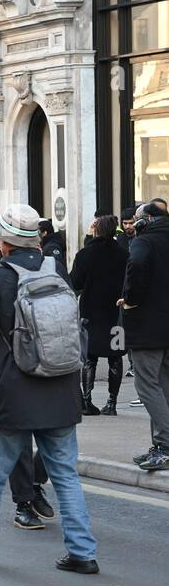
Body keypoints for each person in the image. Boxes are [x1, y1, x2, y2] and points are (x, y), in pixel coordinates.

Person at [0, 205, 98, 574]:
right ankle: (82, 552)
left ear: (3, 243)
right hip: (61, 385)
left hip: (16, 389)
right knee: (65, 473)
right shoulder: (56, 268)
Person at [119, 201, 169, 470]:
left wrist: (130, 299)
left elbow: (136, 266)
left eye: (136, 218)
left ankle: (164, 446)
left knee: (147, 385)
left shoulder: (143, 241)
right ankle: (160, 443)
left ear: (146, 219)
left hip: (148, 325)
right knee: (164, 385)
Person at [70, 214, 128, 416]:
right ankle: (112, 403)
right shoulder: (124, 254)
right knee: (116, 356)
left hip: (90, 312)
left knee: (89, 357)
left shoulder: (85, 254)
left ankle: (87, 401)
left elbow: (75, 282)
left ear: (96, 230)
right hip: (116, 313)